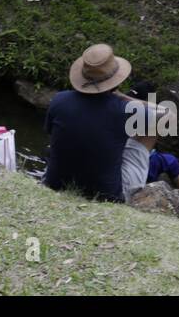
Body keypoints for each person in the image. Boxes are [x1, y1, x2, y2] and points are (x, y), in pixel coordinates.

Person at [43, 44, 134, 202]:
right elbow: (168, 114)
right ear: (115, 82)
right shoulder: (125, 109)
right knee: (150, 131)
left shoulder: (59, 99)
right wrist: (125, 98)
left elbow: (50, 132)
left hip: (54, 184)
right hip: (106, 195)